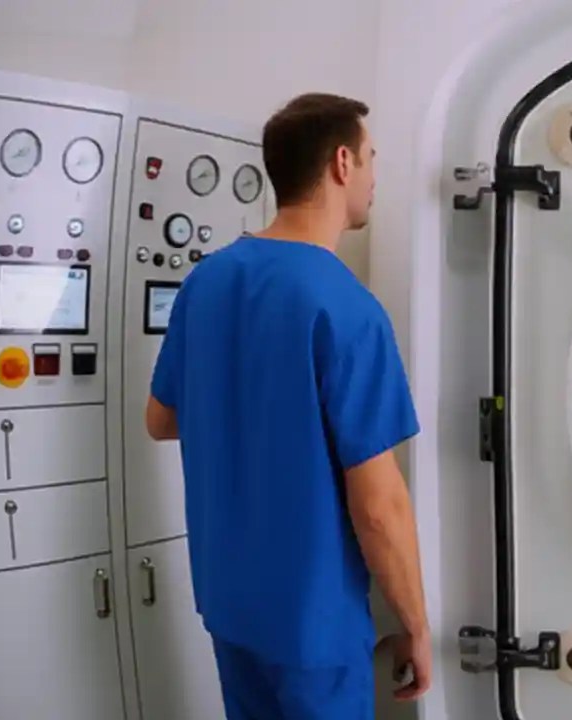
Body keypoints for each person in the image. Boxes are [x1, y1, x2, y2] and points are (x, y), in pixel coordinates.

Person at [145, 92, 429, 719]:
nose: (377, 176)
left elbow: (160, 420)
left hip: (231, 608)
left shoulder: (206, 280)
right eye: (373, 157)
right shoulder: (347, 307)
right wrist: (417, 624)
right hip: (312, 626)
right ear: (342, 163)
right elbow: (379, 507)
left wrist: (247, 408)